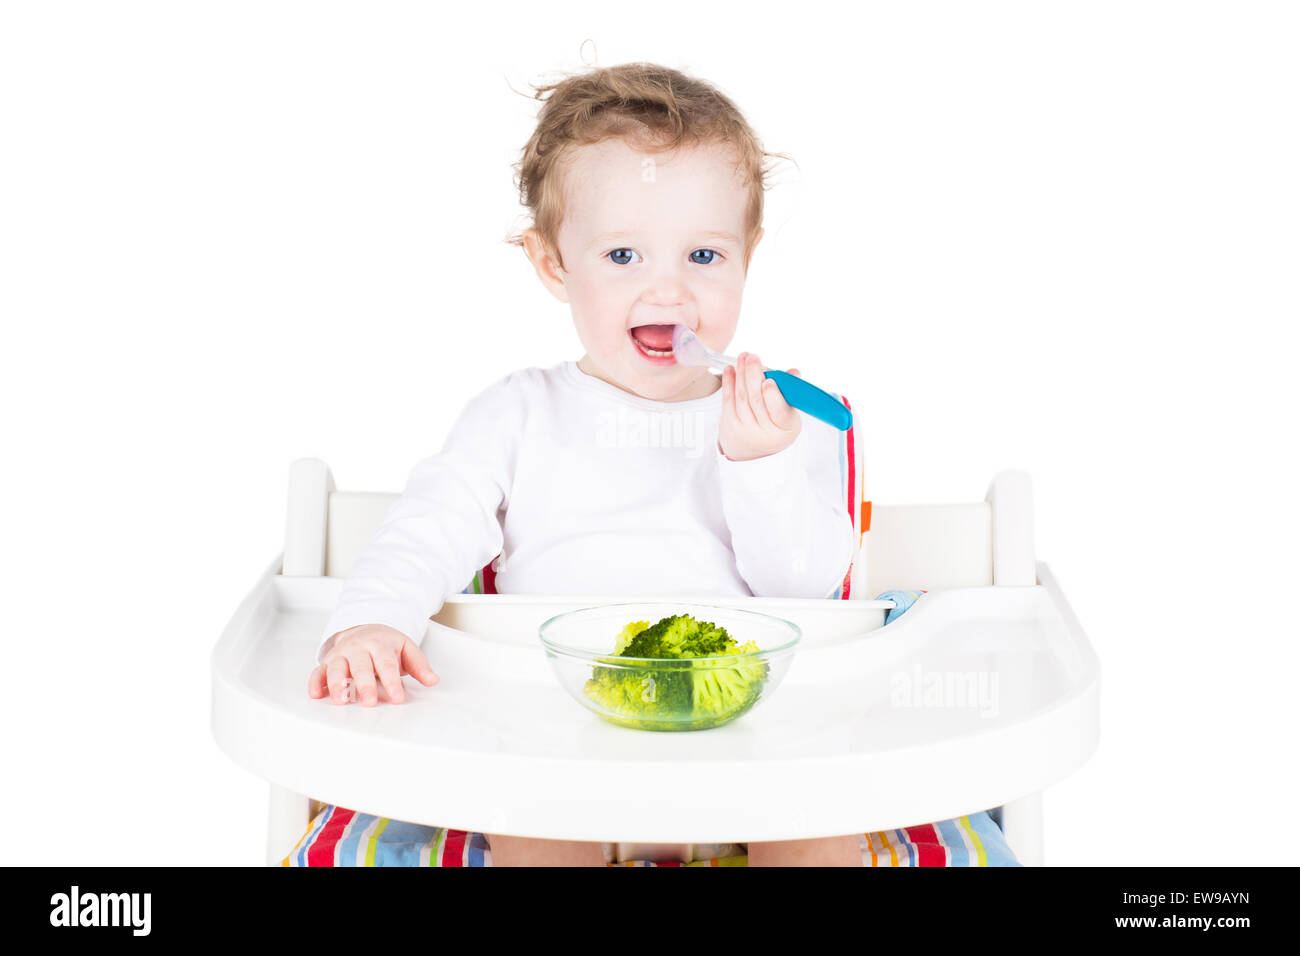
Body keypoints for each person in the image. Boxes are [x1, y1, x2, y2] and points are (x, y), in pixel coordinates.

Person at [307, 61, 861, 866]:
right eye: (624, 256)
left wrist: (762, 466)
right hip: (552, 731)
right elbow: (426, 530)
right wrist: (371, 620)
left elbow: (809, 591)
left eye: (704, 257)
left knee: (822, 821)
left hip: (751, 738)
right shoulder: (518, 415)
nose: (667, 290)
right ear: (553, 264)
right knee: (527, 817)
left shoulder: (780, 418)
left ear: (750, 254)